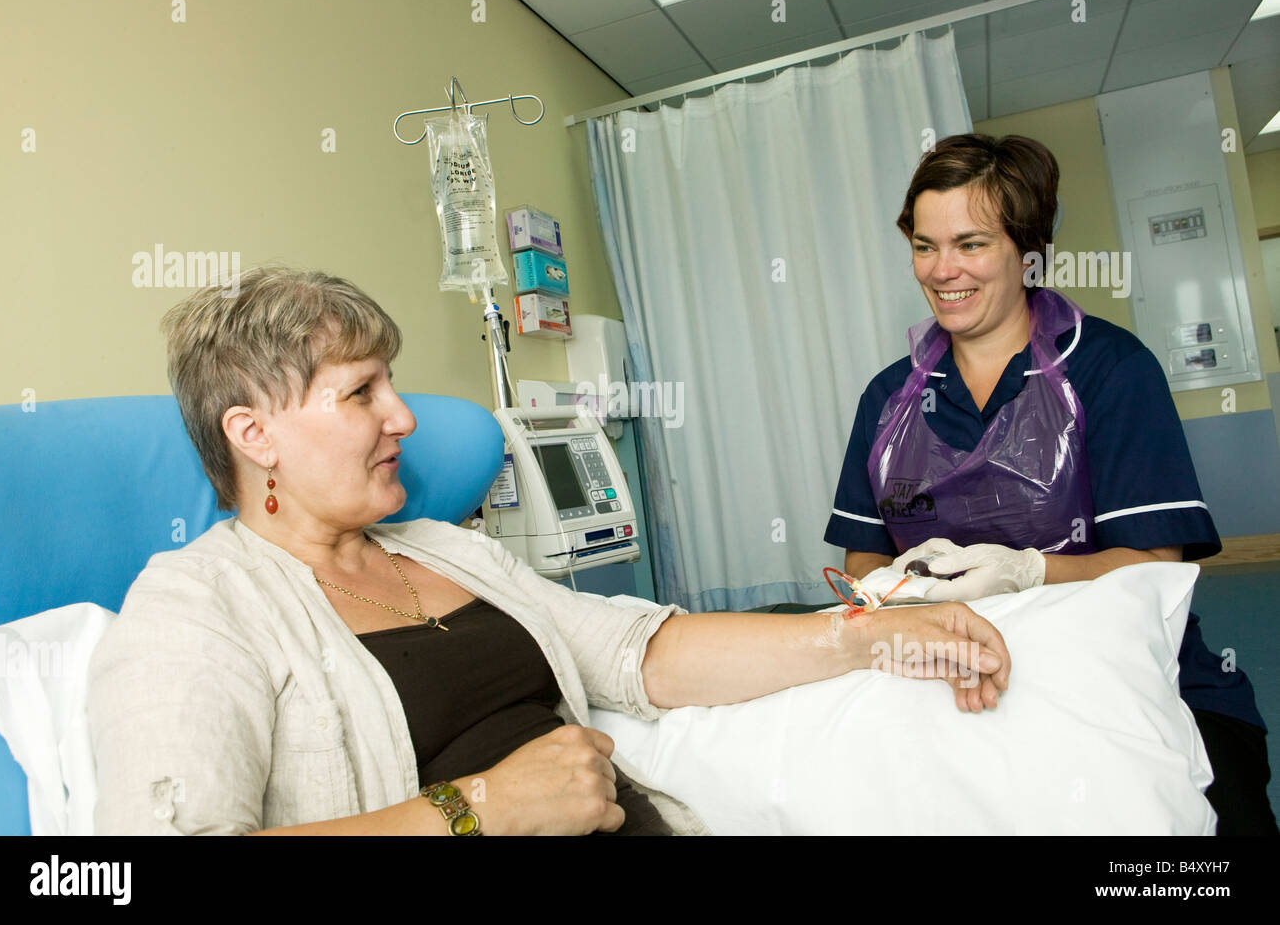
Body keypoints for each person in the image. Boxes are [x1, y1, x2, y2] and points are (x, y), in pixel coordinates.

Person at [87, 266, 1012, 836]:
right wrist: (478, 810)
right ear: (255, 435)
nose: (403, 416)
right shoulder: (197, 603)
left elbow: (636, 651)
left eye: (391, 384)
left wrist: (867, 633)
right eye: (360, 393)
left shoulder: (446, 550)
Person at [824, 133, 1278, 836]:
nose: (943, 270)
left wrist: (1025, 572)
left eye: (971, 244)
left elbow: (1155, 567)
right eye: (924, 245)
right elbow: (863, 557)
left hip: (1131, 676)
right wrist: (909, 590)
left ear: (1028, 252)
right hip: (948, 674)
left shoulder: (1110, 370)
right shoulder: (889, 398)